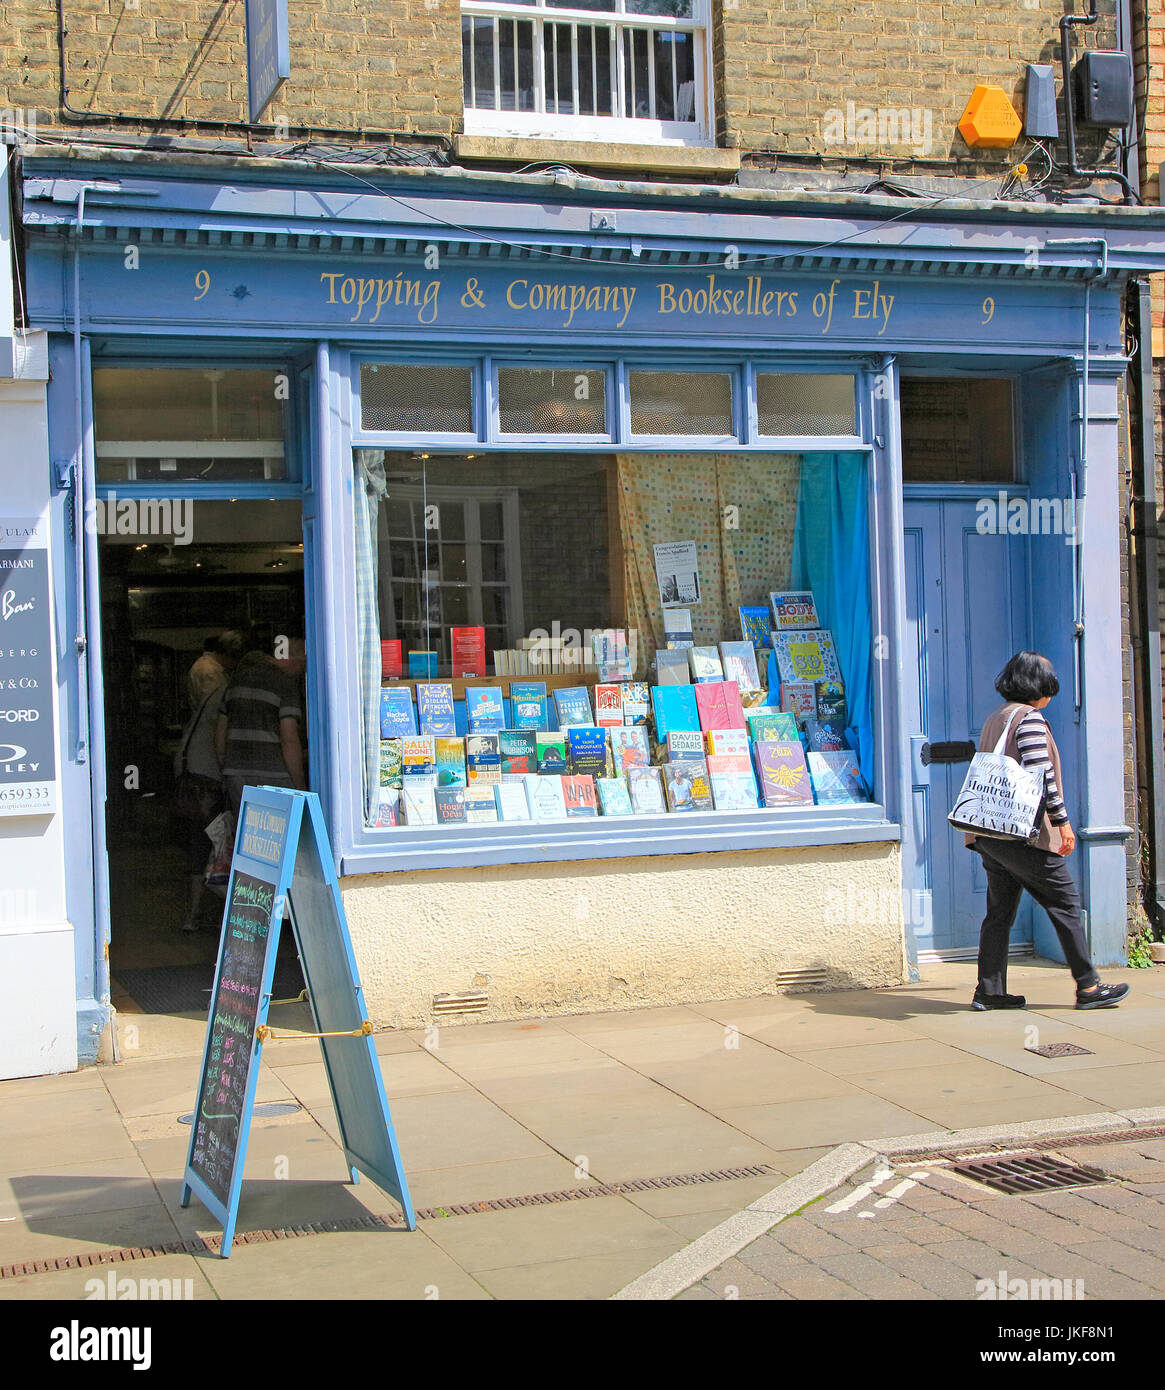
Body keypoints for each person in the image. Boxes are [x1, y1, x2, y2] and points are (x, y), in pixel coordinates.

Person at [964, 651, 1129, 1012]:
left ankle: (989, 991)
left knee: (1000, 912)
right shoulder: (1030, 719)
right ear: (1040, 685)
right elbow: (1043, 777)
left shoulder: (998, 717)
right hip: (1024, 835)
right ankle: (1088, 988)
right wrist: (1063, 823)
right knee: (1066, 904)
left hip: (991, 833)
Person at [174, 630, 246, 931]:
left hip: (189, 769)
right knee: (220, 844)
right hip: (207, 774)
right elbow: (220, 738)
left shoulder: (209, 682)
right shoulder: (223, 687)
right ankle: (228, 917)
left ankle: (194, 915)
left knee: (199, 845)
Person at [214, 624, 306, 816]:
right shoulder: (284, 684)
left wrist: (226, 767)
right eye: (302, 663)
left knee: (248, 835)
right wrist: (300, 784)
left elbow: (221, 731)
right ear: (292, 658)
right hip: (274, 774)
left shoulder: (237, 680)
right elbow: (289, 739)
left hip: (236, 773)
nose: (302, 669)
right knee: (278, 836)